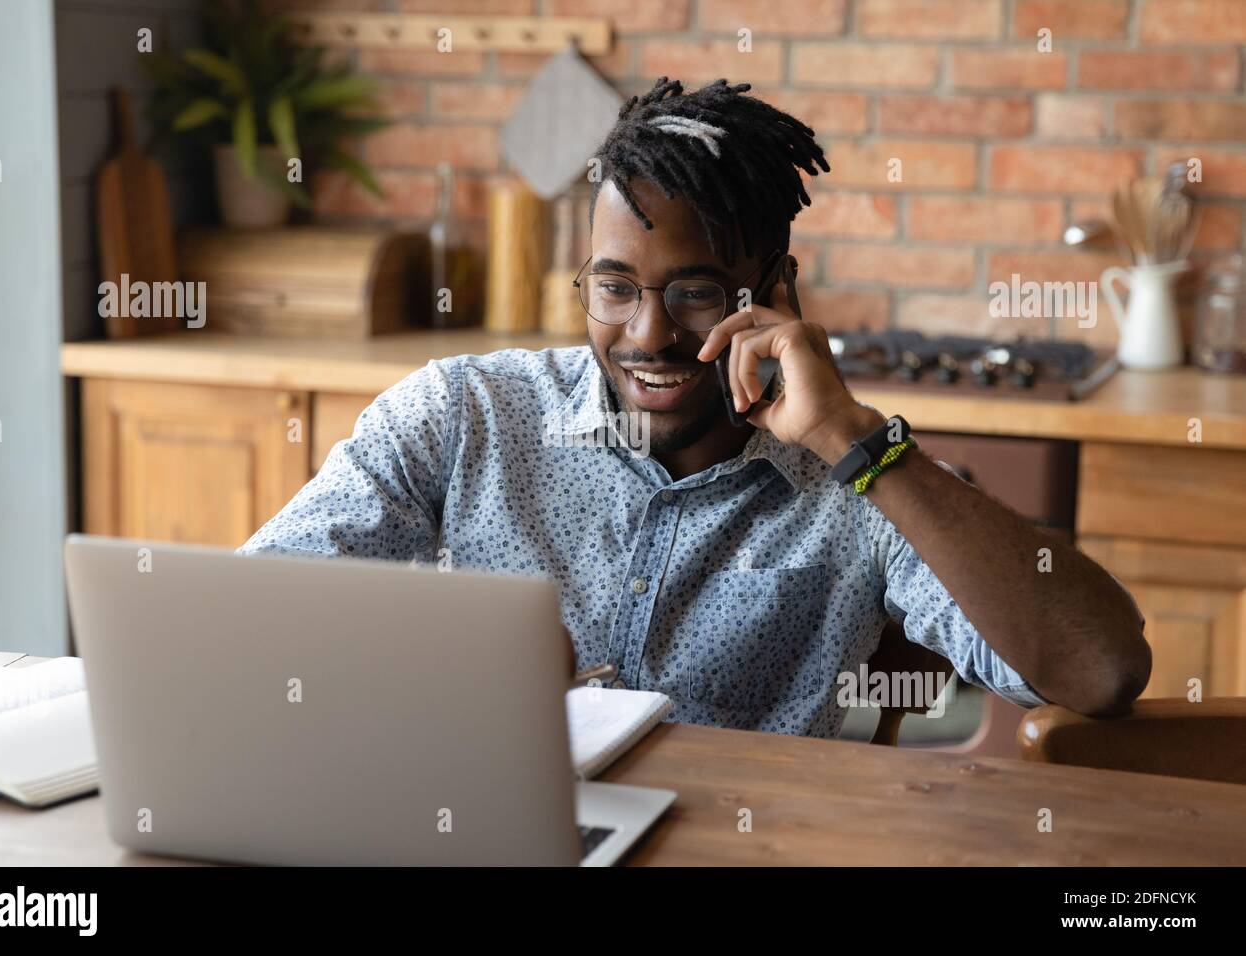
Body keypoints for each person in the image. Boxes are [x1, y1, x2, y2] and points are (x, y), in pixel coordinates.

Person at [241, 77, 1149, 736]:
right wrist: (425, 658)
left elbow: (1102, 673)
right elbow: (247, 617)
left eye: (697, 292)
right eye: (615, 288)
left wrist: (855, 441)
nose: (649, 336)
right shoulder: (460, 415)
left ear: (777, 291)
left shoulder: (860, 488)